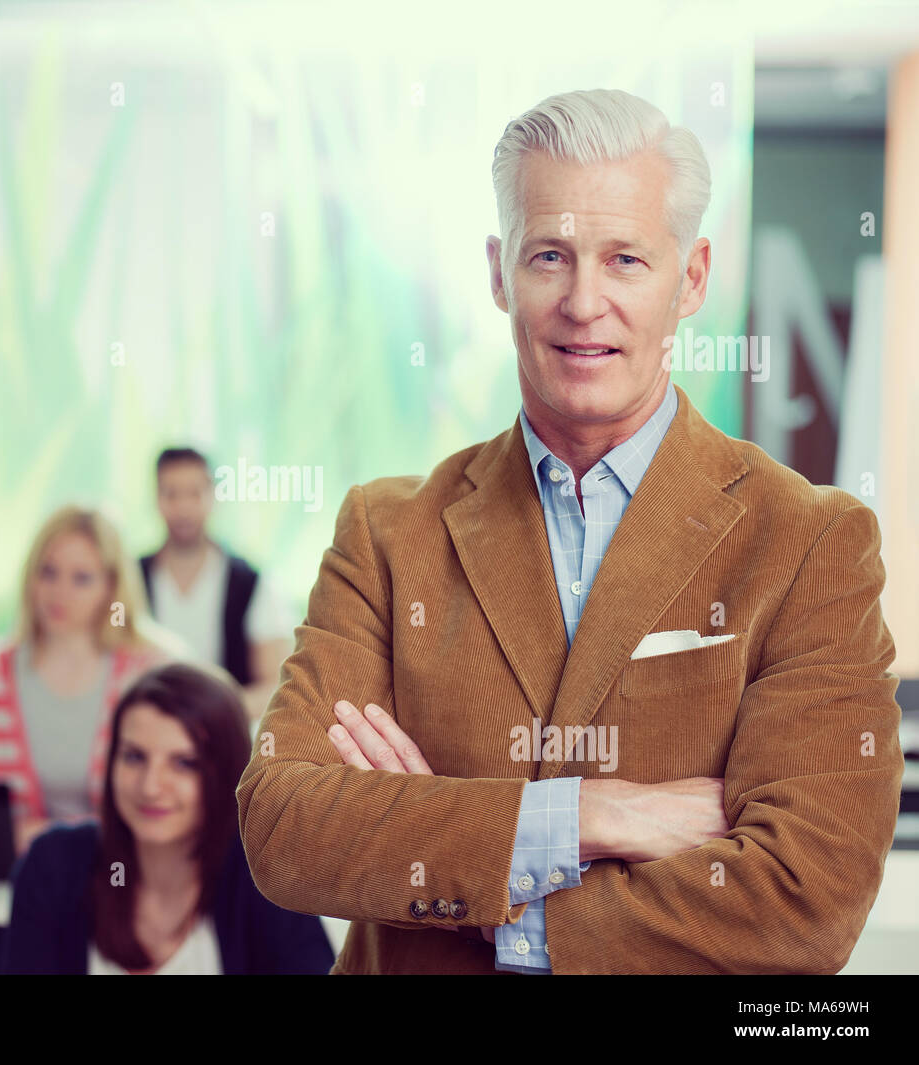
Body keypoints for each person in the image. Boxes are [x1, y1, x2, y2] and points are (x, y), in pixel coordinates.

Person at [236, 89, 903, 975]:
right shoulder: (390, 533)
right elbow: (284, 824)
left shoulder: (810, 543)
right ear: (499, 272)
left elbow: (801, 899)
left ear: (692, 277)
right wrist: (591, 814)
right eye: (549, 255)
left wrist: (476, 875)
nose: (584, 303)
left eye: (626, 258)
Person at [3, 662, 335, 974]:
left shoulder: (267, 878)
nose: (150, 787)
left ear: (228, 773)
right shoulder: (52, 865)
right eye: (134, 757)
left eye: (183, 763)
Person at [0, 506, 167, 855]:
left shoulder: (152, 674)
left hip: (126, 875)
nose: (59, 592)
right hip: (17, 878)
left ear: (111, 588)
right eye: (48, 573)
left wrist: (56, 841)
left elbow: (167, 801)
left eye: (81, 578)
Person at [139, 448, 295, 726]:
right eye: (171, 494)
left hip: (225, 739)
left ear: (214, 497)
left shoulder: (253, 583)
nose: (183, 507)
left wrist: (202, 713)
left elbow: (276, 684)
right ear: (156, 499)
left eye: (195, 493)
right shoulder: (129, 578)